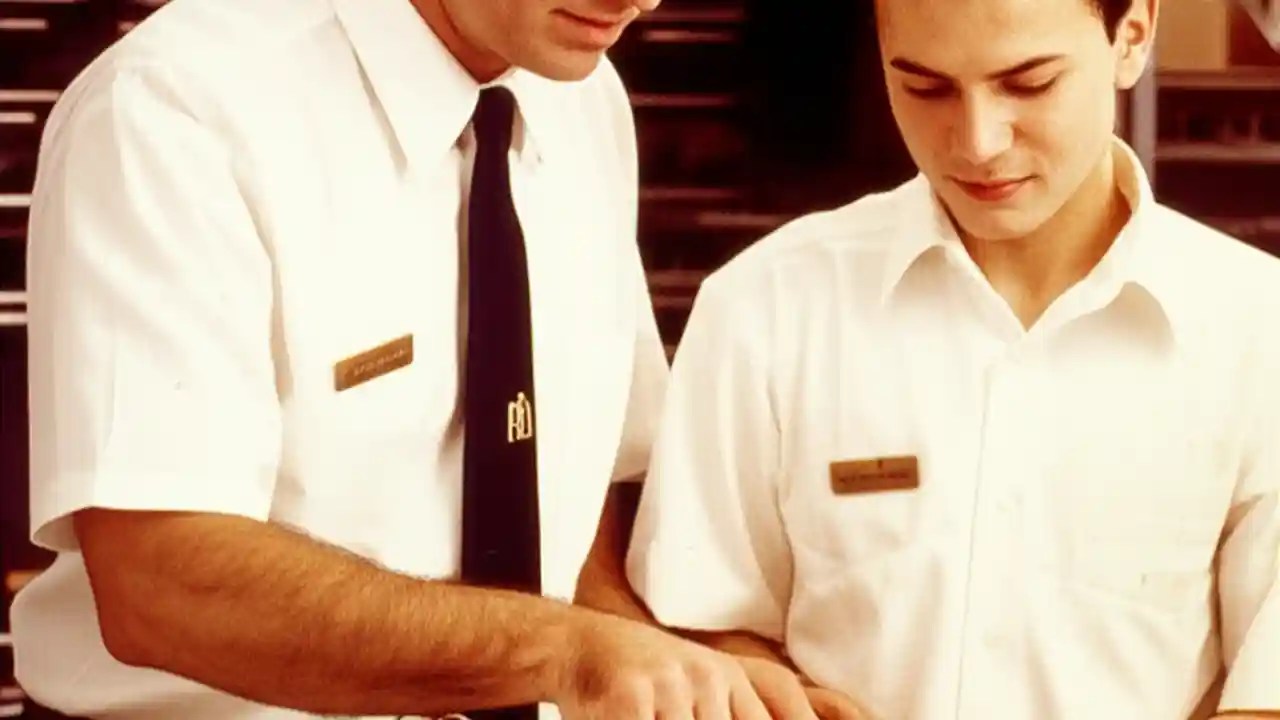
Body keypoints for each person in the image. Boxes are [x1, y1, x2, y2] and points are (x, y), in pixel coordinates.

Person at [10, 0, 827, 718]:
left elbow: (574, 509)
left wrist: (705, 678)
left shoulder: (580, 94)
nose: (640, 1)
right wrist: (566, 653)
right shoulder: (174, 108)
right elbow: (159, 586)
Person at [624, 0, 1280, 718]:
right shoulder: (765, 308)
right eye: (925, 88)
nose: (977, 142)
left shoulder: (1254, 327)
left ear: (1133, 35)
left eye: (1029, 85)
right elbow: (698, 623)